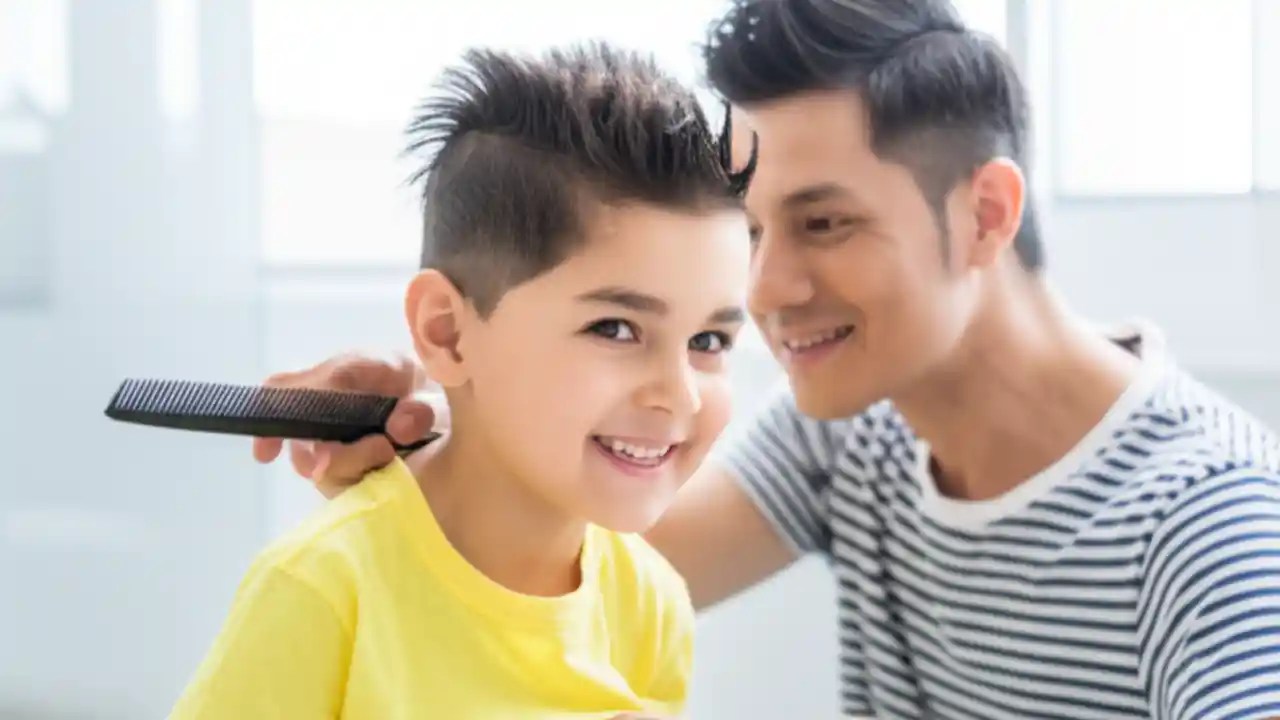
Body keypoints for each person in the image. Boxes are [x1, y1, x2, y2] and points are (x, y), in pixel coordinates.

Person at [259, 1, 1280, 718]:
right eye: (751, 235)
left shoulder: (1212, 525)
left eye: (823, 222)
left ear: (983, 215)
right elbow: (541, 582)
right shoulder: (855, 431)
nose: (764, 290)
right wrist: (444, 424)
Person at [173, 42, 755, 719]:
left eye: (709, 341)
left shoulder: (652, 606)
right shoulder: (323, 590)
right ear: (447, 331)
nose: (679, 394)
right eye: (616, 329)